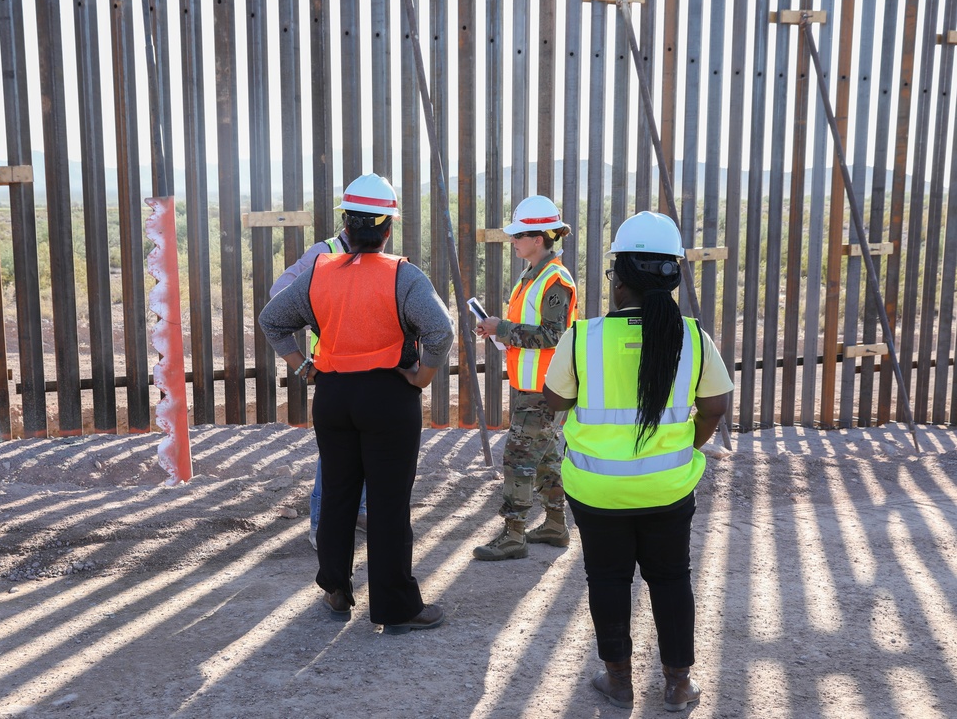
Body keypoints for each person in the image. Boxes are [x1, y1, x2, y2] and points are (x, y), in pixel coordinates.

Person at [542, 211, 732, 711]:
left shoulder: (583, 338)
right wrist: (687, 446)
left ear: (619, 278)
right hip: (668, 488)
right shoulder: (693, 337)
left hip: (596, 490)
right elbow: (715, 406)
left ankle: (618, 680)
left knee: (606, 579)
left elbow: (555, 402)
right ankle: (677, 684)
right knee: (671, 580)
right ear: (671, 277)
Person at [258, 173, 454, 634]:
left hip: (332, 397)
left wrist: (302, 366)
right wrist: (422, 375)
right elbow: (440, 331)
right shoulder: (403, 274)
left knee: (339, 495)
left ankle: (335, 589)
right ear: (388, 228)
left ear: (345, 224)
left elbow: (272, 320)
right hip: (387, 398)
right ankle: (395, 607)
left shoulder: (318, 273)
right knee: (388, 503)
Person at [472, 195, 577, 561]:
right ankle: (555, 525)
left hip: (543, 388)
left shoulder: (555, 279)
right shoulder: (532, 275)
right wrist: (500, 330)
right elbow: (527, 329)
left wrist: (502, 327)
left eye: (519, 235)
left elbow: (553, 334)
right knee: (546, 458)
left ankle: (513, 534)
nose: (513, 240)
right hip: (530, 385)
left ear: (540, 237)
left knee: (519, 459)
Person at [270, 220, 367, 551]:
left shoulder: (372, 253)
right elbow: (279, 294)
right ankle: (321, 524)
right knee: (337, 452)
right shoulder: (324, 253)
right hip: (334, 368)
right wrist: (319, 312)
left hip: (367, 367)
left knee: (365, 446)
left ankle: (361, 512)